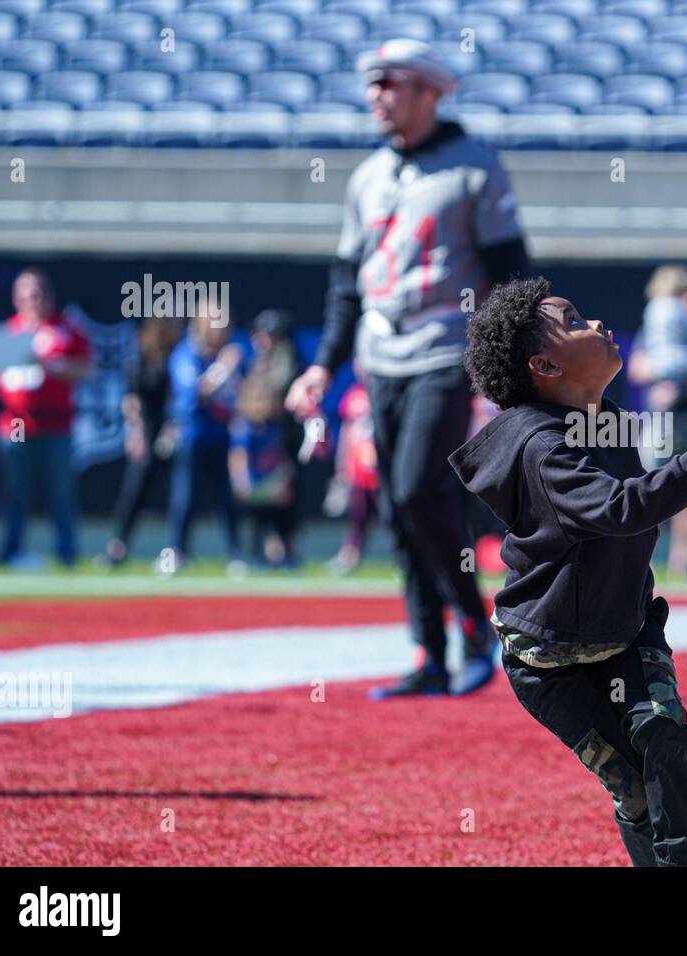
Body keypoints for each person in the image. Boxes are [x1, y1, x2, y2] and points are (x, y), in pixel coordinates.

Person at [449, 276, 687, 867]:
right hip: (546, 660)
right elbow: (621, 509)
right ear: (544, 364)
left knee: (665, 736)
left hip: (626, 628)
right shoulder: (544, 449)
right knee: (633, 786)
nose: (597, 324)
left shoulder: (607, 418)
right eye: (574, 320)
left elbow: (637, 502)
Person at [284, 39, 530, 698]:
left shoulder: (475, 167)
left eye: (389, 83)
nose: (376, 96)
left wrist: (506, 361)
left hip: (446, 351)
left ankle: (477, 630)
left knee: (420, 486)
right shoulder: (367, 176)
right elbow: (346, 284)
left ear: (428, 91)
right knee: (397, 505)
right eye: (372, 85)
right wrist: (322, 366)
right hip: (378, 357)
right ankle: (429, 649)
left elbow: (511, 270)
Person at [0, 268, 91, 568]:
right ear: (16, 298)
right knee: (16, 489)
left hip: (55, 423)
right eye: (27, 294)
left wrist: (52, 365)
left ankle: (67, 554)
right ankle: (11, 551)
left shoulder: (65, 329)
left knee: (60, 490)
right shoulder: (9, 333)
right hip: (18, 423)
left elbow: (87, 370)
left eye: (38, 294)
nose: (33, 301)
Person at [627, 266, 687, 577]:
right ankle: (644, 560)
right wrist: (663, 379)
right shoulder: (656, 326)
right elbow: (637, 368)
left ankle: (684, 562)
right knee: (651, 486)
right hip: (660, 419)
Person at [164, 306, 246, 573]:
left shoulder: (232, 351)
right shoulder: (187, 353)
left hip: (222, 435)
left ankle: (236, 554)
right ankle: (177, 552)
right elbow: (197, 392)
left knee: (226, 499)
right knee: (185, 497)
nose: (221, 329)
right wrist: (223, 369)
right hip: (193, 435)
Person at [103, 315, 180, 566]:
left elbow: (181, 396)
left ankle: (175, 550)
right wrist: (136, 433)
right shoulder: (141, 348)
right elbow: (132, 395)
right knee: (136, 486)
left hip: (176, 427)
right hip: (148, 426)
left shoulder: (183, 349)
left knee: (177, 491)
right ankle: (118, 546)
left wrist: (174, 428)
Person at [229, 374, 299, 567]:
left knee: (282, 516)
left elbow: (281, 457)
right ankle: (251, 555)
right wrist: (242, 482)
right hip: (254, 485)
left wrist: (283, 481)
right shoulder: (246, 427)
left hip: (272, 484)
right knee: (254, 521)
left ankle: (285, 552)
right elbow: (238, 455)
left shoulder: (275, 426)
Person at [325, 376, 378, 576]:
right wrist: (342, 465)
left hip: (382, 464)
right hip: (359, 466)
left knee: (397, 515)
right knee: (358, 514)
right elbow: (347, 432)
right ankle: (350, 554)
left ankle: (409, 557)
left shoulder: (388, 387)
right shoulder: (353, 394)